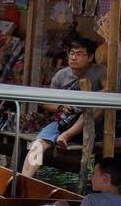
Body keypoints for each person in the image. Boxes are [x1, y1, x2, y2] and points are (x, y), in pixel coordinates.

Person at [22, 37, 107, 178]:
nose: (74, 57)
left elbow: (109, 91)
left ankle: (67, 136)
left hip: (91, 125)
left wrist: (91, 98)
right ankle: (24, 179)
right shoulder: (61, 76)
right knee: (37, 144)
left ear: (91, 57)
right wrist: (61, 107)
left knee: (97, 105)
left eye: (79, 54)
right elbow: (46, 103)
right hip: (65, 122)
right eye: (71, 53)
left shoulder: (99, 71)